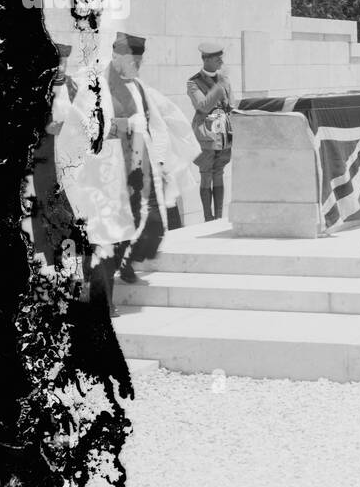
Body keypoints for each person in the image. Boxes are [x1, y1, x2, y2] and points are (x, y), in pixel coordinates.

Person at [58, 32, 197, 316]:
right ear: (118, 56)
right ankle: (103, 298)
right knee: (106, 233)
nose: (136, 66)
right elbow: (82, 125)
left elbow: (158, 121)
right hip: (103, 173)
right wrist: (121, 124)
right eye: (132, 60)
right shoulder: (92, 83)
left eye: (140, 61)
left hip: (135, 172)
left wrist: (160, 162)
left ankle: (121, 269)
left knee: (137, 229)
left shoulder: (137, 87)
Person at [28, 42, 80, 266]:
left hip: (68, 155)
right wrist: (48, 125)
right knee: (46, 202)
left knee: (68, 203)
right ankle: (49, 257)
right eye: (56, 62)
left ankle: (68, 255)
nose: (60, 66)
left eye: (63, 62)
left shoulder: (71, 85)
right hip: (45, 155)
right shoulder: (39, 86)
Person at [187, 40, 236, 221]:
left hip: (223, 134)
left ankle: (219, 217)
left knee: (219, 173)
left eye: (221, 58)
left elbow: (231, 106)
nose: (221, 62)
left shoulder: (225, 81)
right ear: (206, 59)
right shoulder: (194, 82)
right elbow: (203, 106)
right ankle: (208, 218)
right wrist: (220, 85)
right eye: (217, 59)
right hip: (205, 134)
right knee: (206, 174)